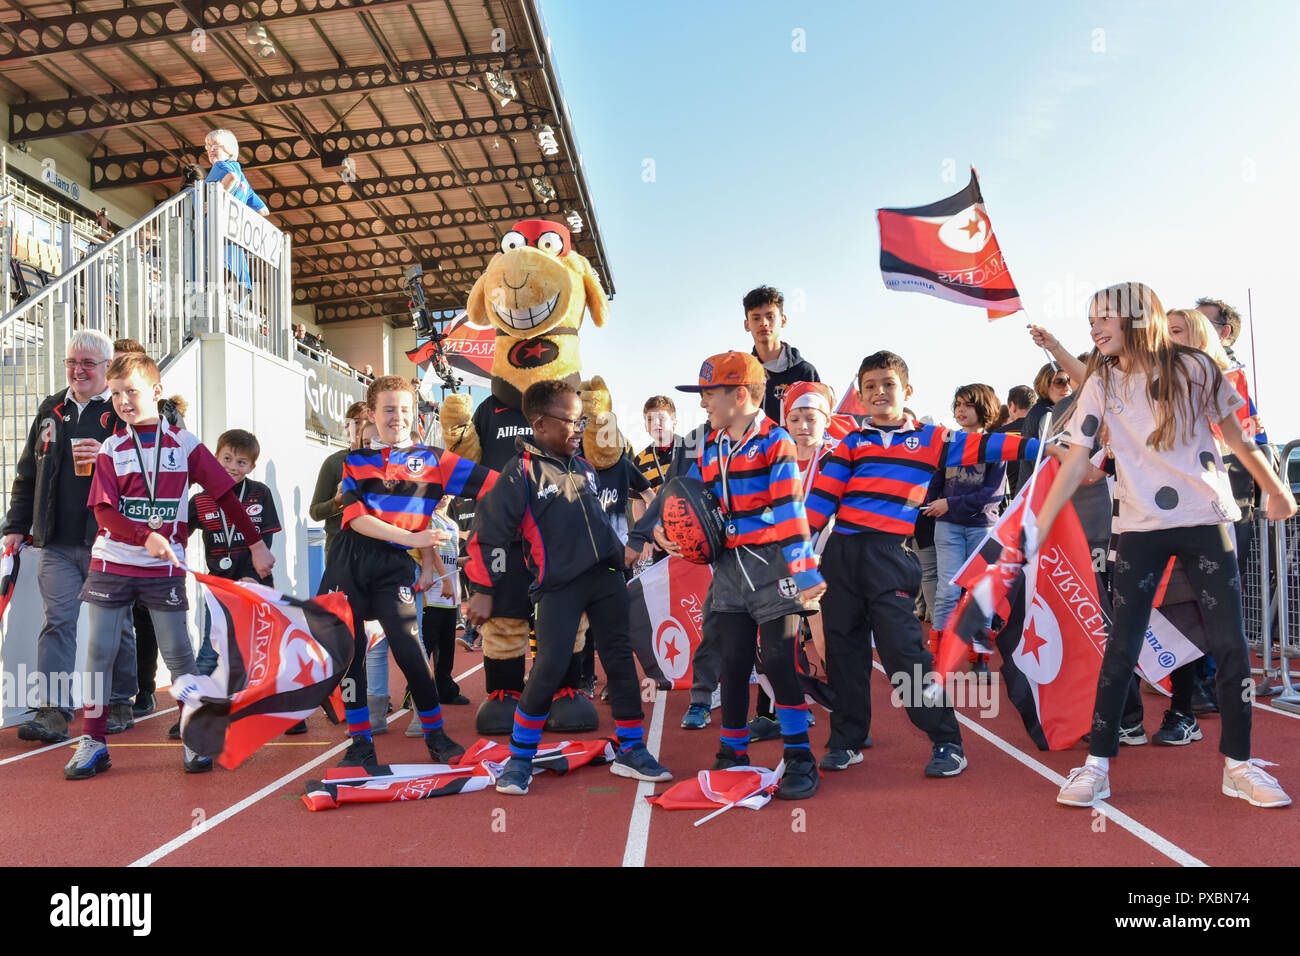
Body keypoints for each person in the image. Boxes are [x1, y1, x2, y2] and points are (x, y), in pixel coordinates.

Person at [1039, 282, 1296, 809]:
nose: (1094, 327)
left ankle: (1239, 765)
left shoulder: (1197, 366)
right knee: (1122, 644)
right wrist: (1039, 525)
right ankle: (1097, 766)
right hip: (1140, 527)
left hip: (1206, 519)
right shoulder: (1102, 380)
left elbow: (1238, 436)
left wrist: (1276, 489)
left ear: (1138, 316)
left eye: (1104, 317)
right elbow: (1078, 457)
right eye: (1091, 319)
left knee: (1230, 643)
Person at [807, 351, 1052, 777]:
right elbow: (818, 504)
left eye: (888, 384)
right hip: (841, 557)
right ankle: (847, 740)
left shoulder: (932, 438)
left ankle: (947, 741)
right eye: (870, 386)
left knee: (905, 653)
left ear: (907, 390)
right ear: (859, 397)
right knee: (844, 653)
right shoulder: (850, 444)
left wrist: (1043, 446)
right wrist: (795, 556)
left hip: (889, 557)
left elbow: (989, 444)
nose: (879, 392)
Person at [63, 352, 274, 779]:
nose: (123, 401)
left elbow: (224, 495)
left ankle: (194, 736)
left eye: (132, 392)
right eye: (116, 394)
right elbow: (103, 513)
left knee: (178, 653)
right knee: (99, 651)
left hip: (164, 567)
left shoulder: (185, 444)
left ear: (156, 392)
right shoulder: (111, 448)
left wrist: (256, 545)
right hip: (114, 562)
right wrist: (145, 536)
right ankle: (93, 741)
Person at [465, 380, 673, 794]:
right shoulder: (520, 472)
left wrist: (630, 543)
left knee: (619, 660)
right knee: (550, 666)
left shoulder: (584, 467)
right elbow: (488, 533)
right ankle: (520, 759)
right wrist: (483, 590)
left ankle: (632, 749)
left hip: (606, 578)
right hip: (558, 586)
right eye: (571, 421)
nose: (580, 429)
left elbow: (604, 519)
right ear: (540, 424)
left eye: (582, 421)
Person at [651, 351, 825, 799]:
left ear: (741, 395)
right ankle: (732, 752)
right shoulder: (710, 445)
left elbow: (789, 510)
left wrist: (804, 569)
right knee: (732, 664)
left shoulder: (776, 441)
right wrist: (665, 527)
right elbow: (687, 497)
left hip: (773, 569)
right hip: (728, 572)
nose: (703, 402)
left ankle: (800, 757)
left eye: (710, 394)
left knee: (780, 661)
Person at [320, 375, 497, 769]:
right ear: (371, 414)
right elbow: (357, 520)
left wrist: (537, 483)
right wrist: (414, 538)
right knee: (350, 652)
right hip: (349, 560)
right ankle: (361, 743)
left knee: (410, 648)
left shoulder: (435, 460)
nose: (397, 416)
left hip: (395, 565)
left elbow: (496, 485)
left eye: (404, 409)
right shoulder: (355, 461)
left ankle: (436, 735)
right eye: (388, 409)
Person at [3, 330, 139, 743]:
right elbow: (27, 473)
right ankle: (53, 711)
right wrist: (15, 526)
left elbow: (146, 473)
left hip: (109, 540)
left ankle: (119, 702)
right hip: (57, 542)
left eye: (87, 364)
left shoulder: (125, 409)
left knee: (114, 624)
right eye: (71, 362)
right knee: (57, 624)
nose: (78, 370)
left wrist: (108, 458)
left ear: (107, 368)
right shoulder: (51, 409)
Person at [923, 383, 1006, 672]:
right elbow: (935, 482)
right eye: (958, 404)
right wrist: (931, 503)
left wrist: (949, 504)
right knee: (947, 592)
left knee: (981, 594)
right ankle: (939, 657)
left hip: (981, 528)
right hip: (948, 527)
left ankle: (979, 658)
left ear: (983, 407)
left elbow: (992, 495)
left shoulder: (995, 445)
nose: (961, 409)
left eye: (968, 404)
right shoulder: (948, 443)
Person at [742, 285, 820, 423]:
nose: (763, 323)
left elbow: (816, 422)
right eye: (756, 318)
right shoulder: (742, 374)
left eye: (770, 317)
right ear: (747, 324)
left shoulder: (804, 372)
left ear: (783, 320)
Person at [309, 401, 369, 556]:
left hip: (374, 550)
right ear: (347, 428)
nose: (362, 427)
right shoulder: (334, 463)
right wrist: (337, 502)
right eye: (356, 422)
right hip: (339, 549)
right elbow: (315, 512)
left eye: (367, 421)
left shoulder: (386, 461)